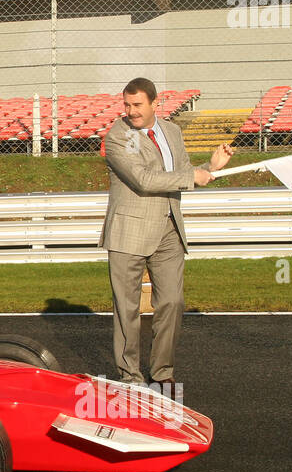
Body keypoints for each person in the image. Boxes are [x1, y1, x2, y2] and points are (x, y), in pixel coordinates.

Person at [99, 77, 232, 397]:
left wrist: (209, 167)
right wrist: (190, 176)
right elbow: (143, 179)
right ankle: (130, 375)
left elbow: (181, 173)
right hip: (128, 232)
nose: (130, 111)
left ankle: (162, 372)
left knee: (172, 301)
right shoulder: (119, 136)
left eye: (137, 105)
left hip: (169, 229)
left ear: (155, 103)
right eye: (127, 105)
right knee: (127, 309)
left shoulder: (172, 132)